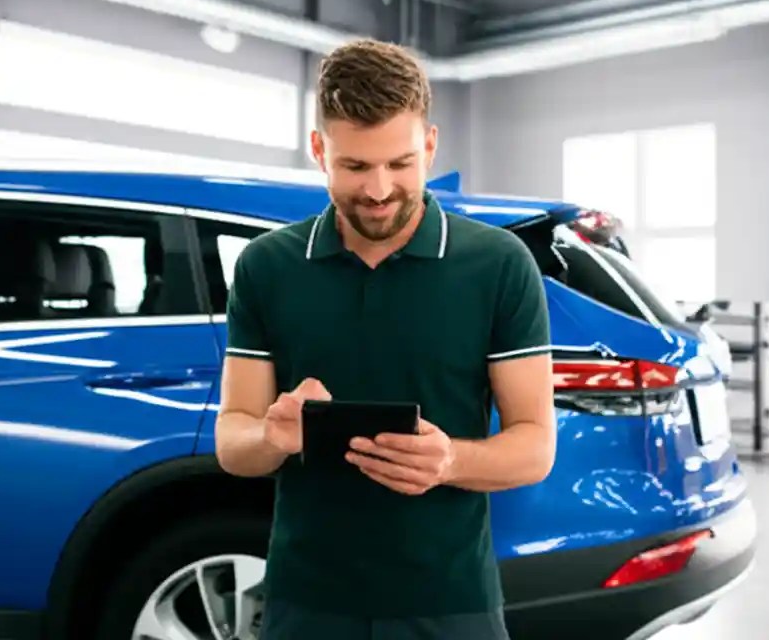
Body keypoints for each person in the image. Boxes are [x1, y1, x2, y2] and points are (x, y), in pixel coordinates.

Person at [214, 37, 557, 639]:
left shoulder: (498, 264)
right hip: (307, 604)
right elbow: (233, 440)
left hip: (452, 603)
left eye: (399, 164)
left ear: (429, 144)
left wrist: (451, 459)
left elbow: (534, 445)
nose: (378, 190)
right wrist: (272, 435)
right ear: (320, 150)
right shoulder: (266, 267)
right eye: (354, 166)